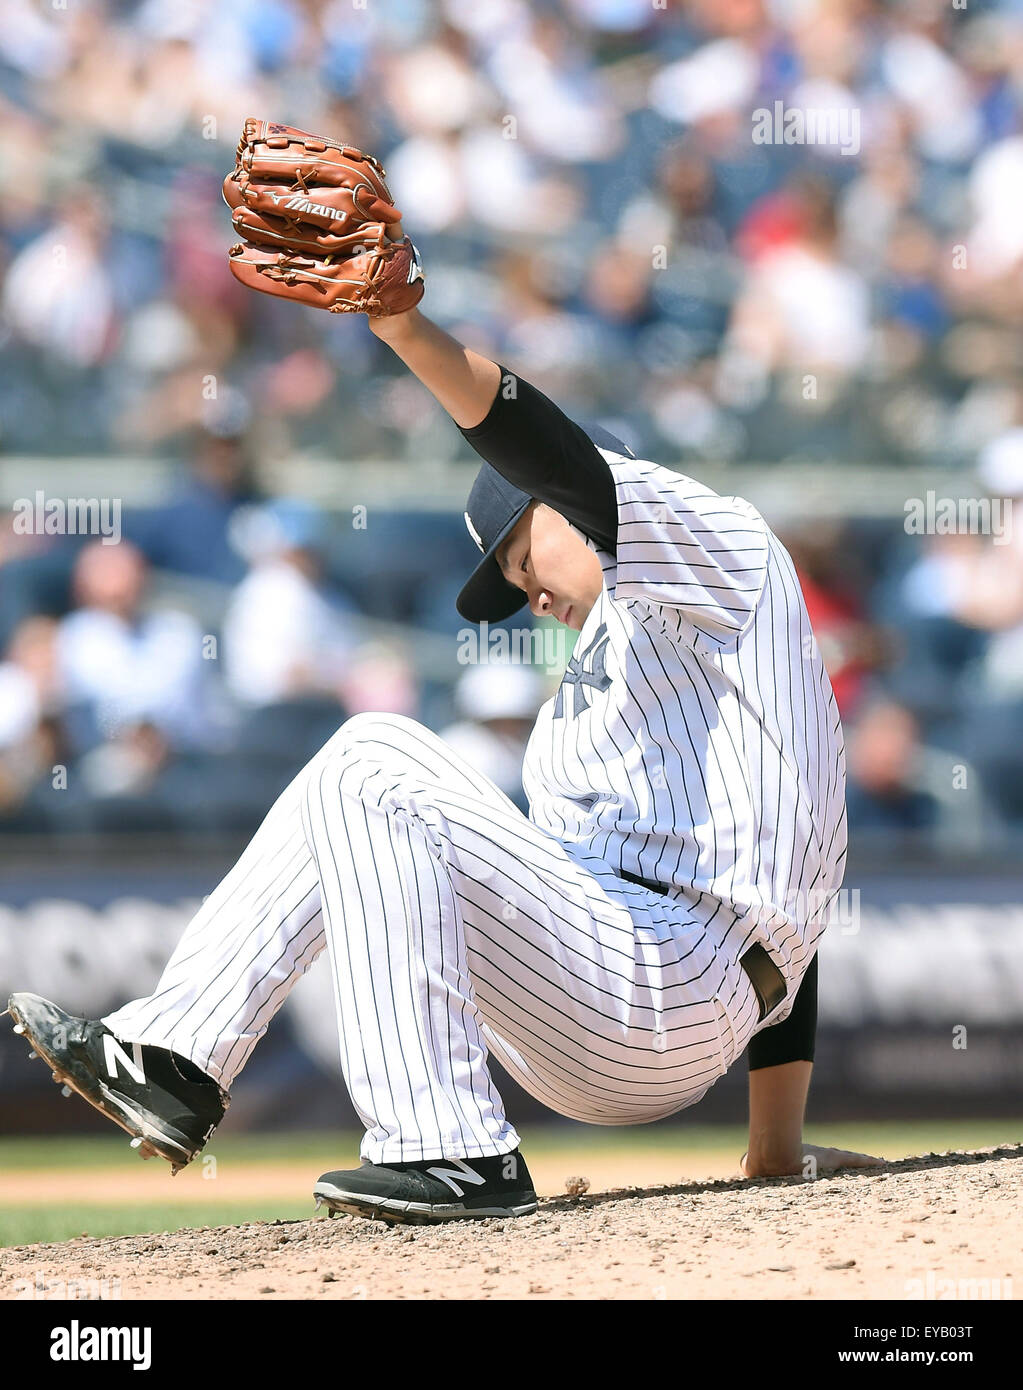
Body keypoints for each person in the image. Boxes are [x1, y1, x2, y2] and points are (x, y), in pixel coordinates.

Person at [6, 205, 881, 1229]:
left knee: (374, 754)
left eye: (522, 557)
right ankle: (177, 1057)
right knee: (356, 775)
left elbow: (562, 461)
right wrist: (774, 1157)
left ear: (569, 504)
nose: (528, 592)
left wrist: (401, 326)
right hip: (606, 994)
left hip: (678, 981)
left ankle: (446, 1146)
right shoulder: (581, 718)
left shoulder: (723, 554)